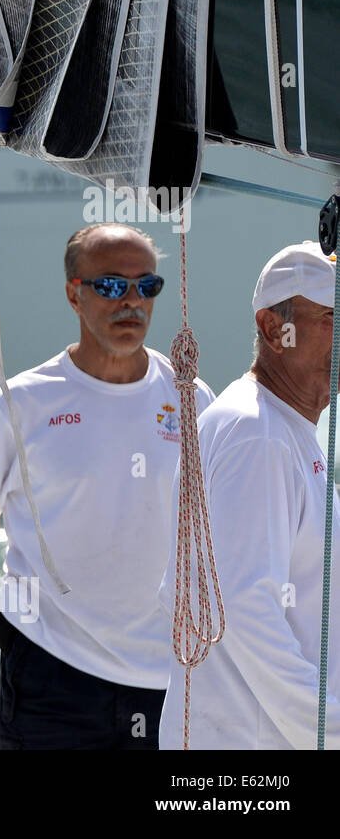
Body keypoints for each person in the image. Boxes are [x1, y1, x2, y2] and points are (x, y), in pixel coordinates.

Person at [0, 223, 214, 749]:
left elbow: (220, 536)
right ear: (74, 292)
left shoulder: (192, 399)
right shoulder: (22, 405)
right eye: (111, 286)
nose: (132, 302)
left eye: (147, 286)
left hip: (169, 683)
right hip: (48, 676)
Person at [159, 241, 340, 749]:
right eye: (331, 315)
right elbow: (245, 610)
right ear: (270, 327)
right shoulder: (259, 435)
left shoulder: (268, 426)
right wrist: (329, 730)